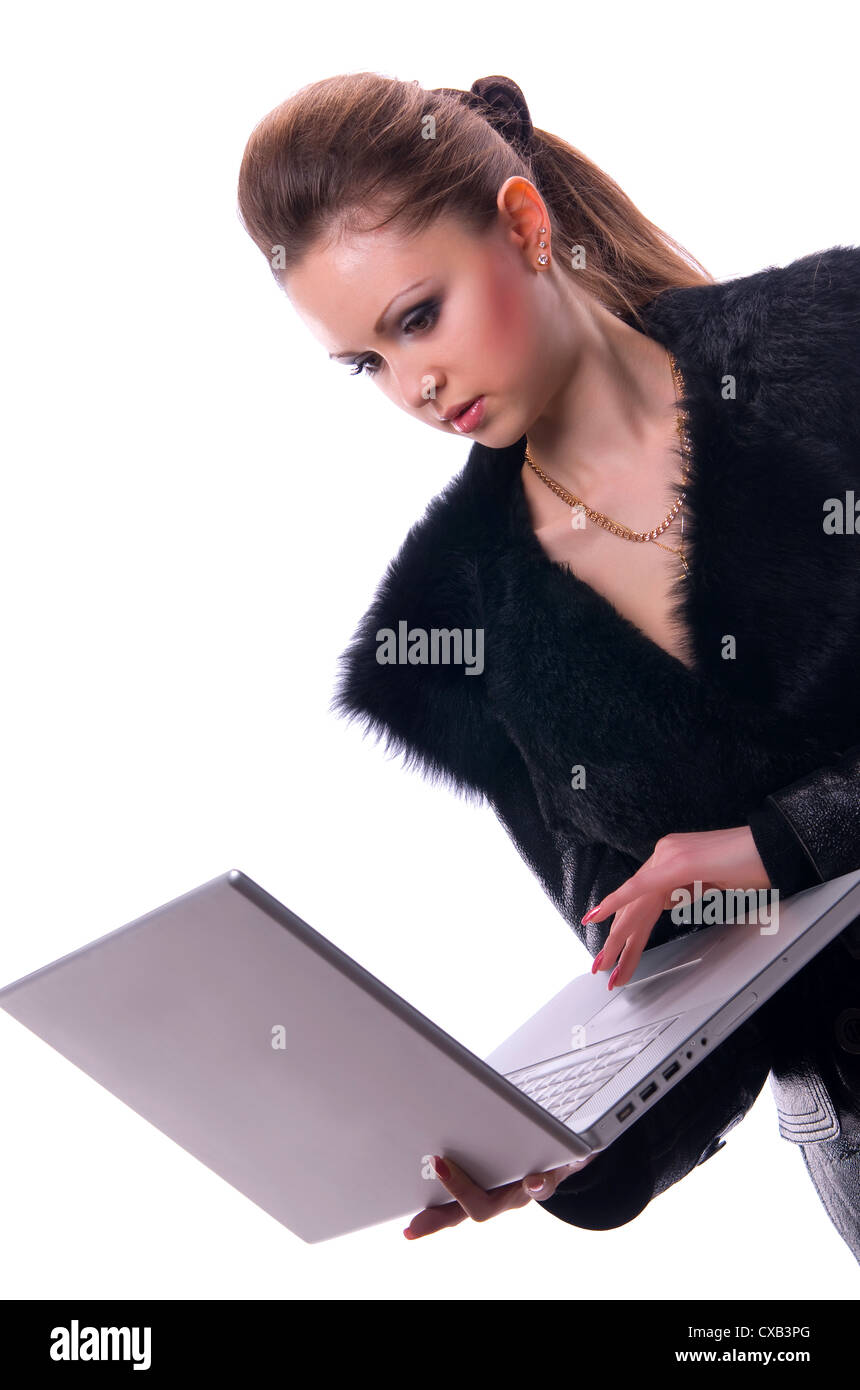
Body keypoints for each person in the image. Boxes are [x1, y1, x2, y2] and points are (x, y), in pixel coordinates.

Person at [236, 72, 860, 1259]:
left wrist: (779, 842)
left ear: (524, 227)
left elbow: (760, 860)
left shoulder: (833, 344)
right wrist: (567, 1143)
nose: (412, 386)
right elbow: (676, 984)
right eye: (362, 362)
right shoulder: (457, 635)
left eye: (417, 315)